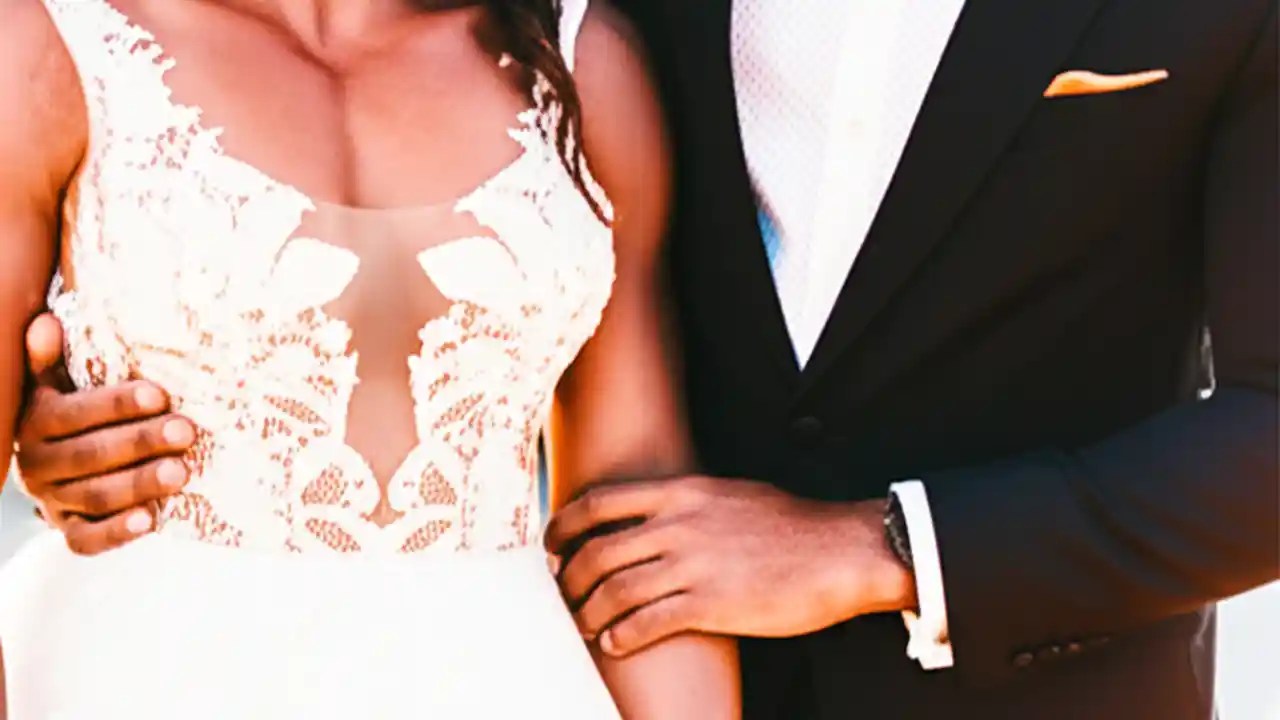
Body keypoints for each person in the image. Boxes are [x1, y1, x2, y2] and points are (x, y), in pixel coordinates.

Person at [12, 1, 1279, 719]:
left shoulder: (567, 51)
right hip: (154, 666)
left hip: (1028, 689)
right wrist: (77, 411)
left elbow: (628, 488)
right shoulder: (55, 46)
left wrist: (882, 547)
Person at [0, 0, 740, 717]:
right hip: (134, 677)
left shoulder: (581, 61)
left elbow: (639, 544)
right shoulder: (47, 45)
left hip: (504, 683)